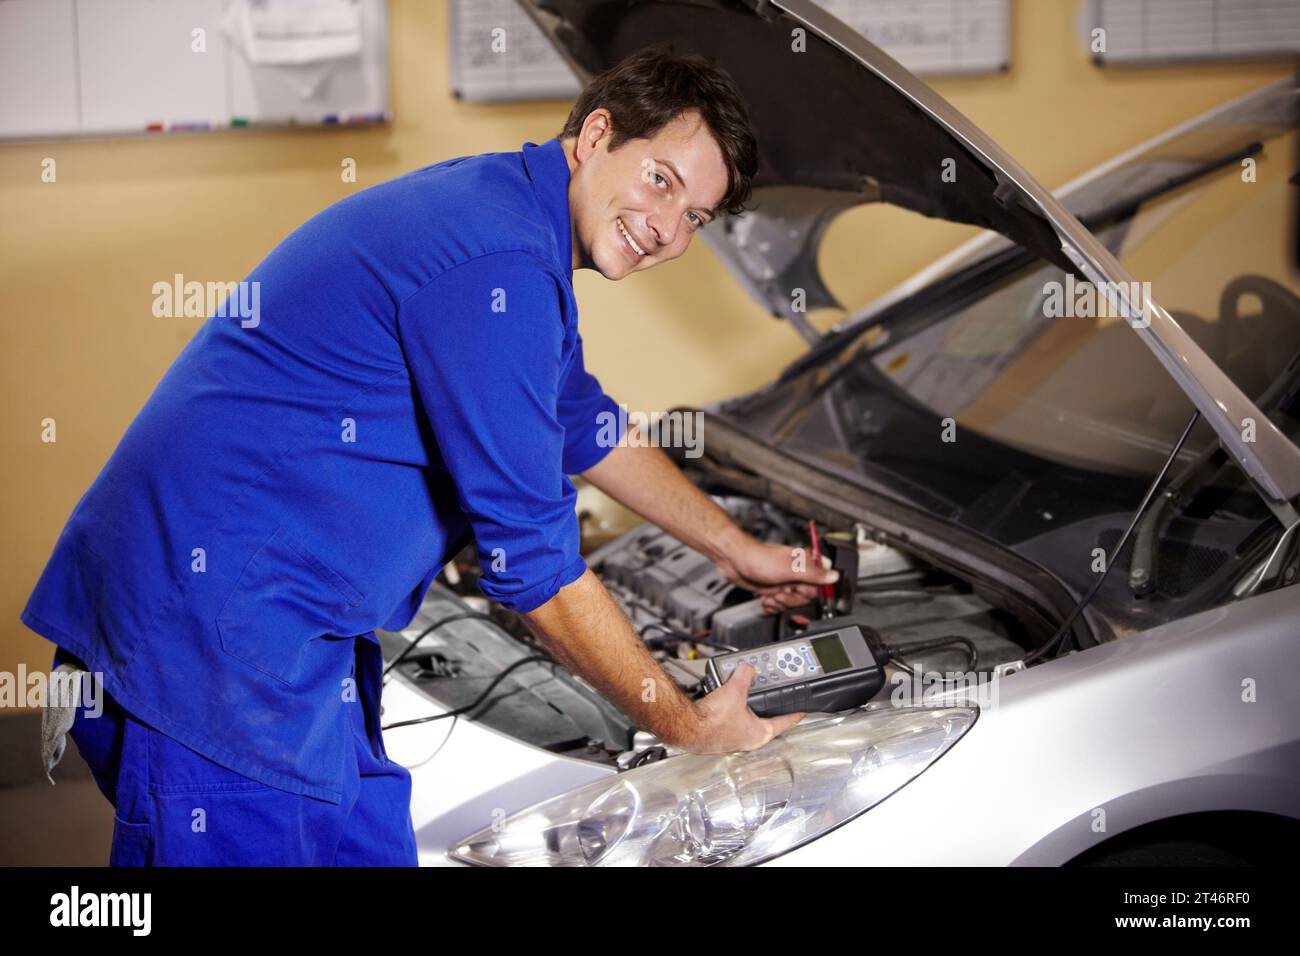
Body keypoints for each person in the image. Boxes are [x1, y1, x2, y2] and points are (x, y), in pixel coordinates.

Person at [22, 45, 837, 866]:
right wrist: (689, 726)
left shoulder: (510, 217)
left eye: (696, 216)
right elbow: (538, 575)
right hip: (214, 643)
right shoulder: (501, 264)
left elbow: (582, 423)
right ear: (597, 135)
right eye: (662, 179)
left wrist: (738, 551)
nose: (668, 228)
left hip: (288, 633)